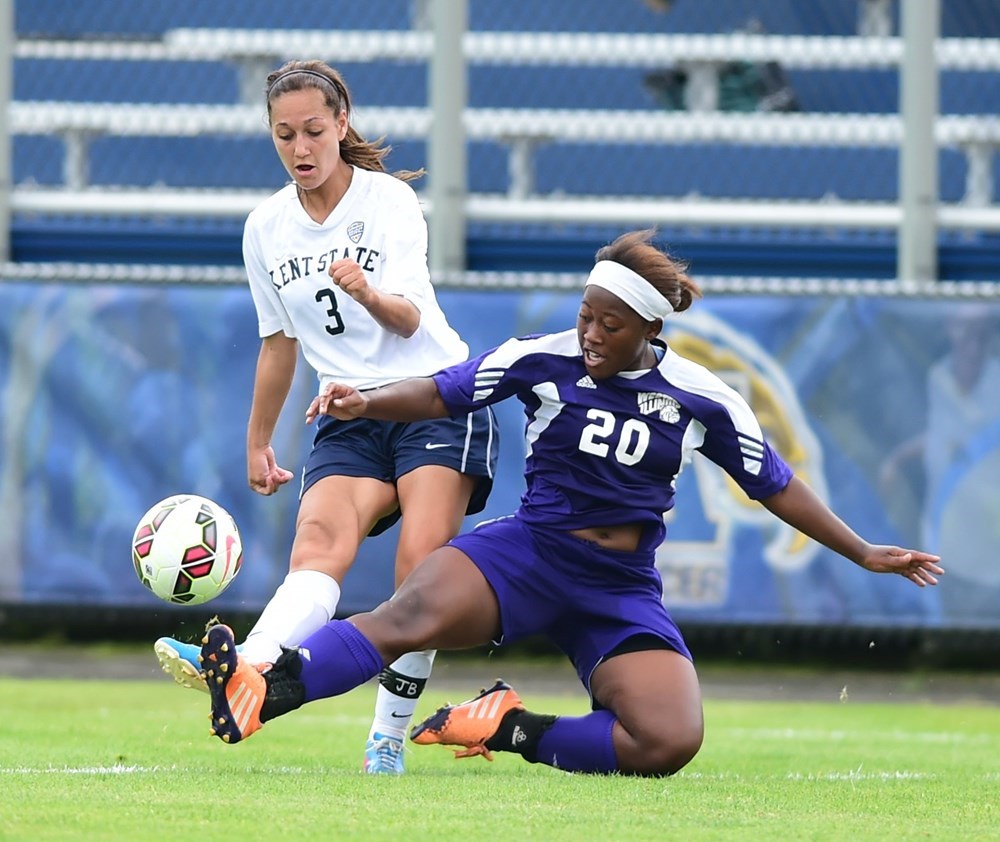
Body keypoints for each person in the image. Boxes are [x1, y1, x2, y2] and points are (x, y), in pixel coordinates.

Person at [188, 229, 942, 776]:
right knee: (405, 615)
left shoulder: (701, 396)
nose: (589, 333)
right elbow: (448, 389)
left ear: (650, 328)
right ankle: (262, 688)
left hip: (618, 589)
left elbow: (772, 482)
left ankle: (507, 727)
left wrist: (863, 551)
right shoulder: (541, 356)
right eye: (585, 314)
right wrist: (366, 403)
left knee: (669, 741)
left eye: (609, 325)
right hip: (527, 555)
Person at [151, 59, 498, 775]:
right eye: (284, 135)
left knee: (420, 573)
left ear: (342, 124)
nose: (300, 148)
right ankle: (243, 668)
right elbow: (278, 345)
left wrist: (366, 291)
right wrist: (258, 442)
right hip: (346, 411)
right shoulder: (265, 228)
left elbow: (405, 320)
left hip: (433, 396)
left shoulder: (389, 203)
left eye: (313, 130)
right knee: (317, 549)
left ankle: (386, 737)